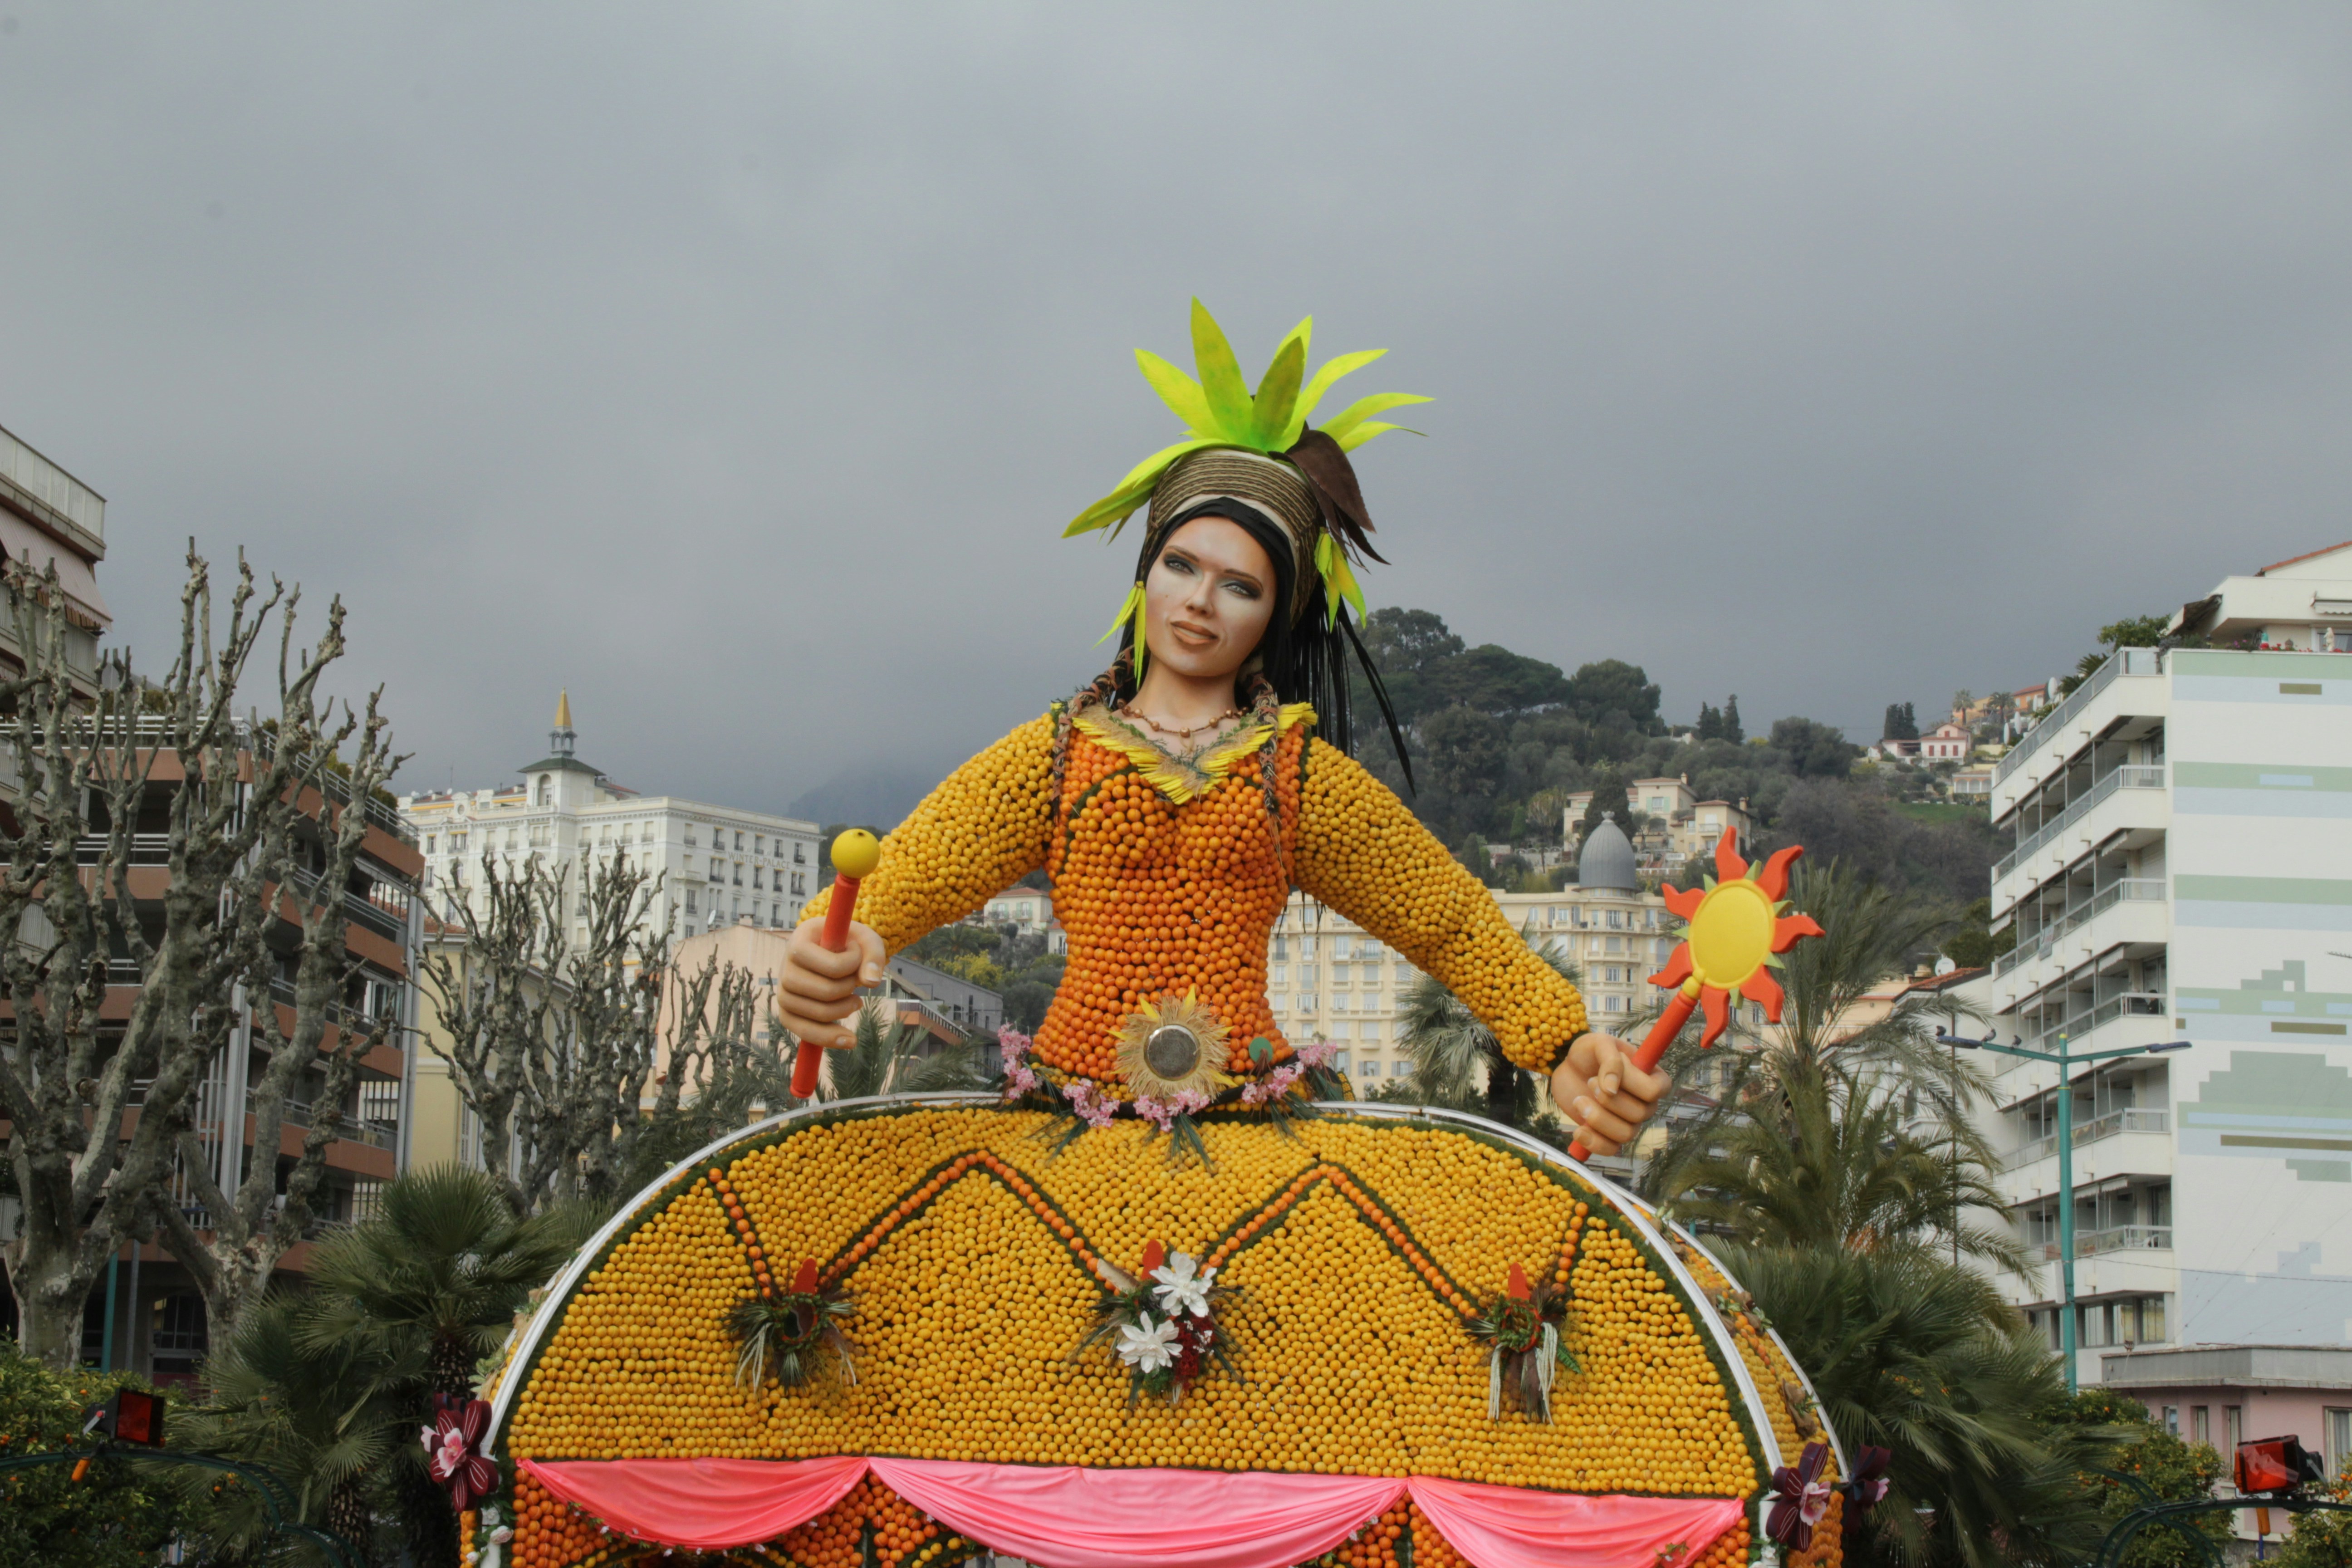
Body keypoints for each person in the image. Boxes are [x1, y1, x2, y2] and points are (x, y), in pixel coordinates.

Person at [775, 302, 1665, 1155]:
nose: (1200, 602)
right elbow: (909, 875)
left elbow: (1450, 922)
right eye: (1181, 566)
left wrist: (1559, 1040)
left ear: (1275, 616)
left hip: (1255, 1119)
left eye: (1240, 585)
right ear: (1143, 577)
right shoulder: (1054, 758)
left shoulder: (1297, 780)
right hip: (1067, 1115)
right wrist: (828, 944)